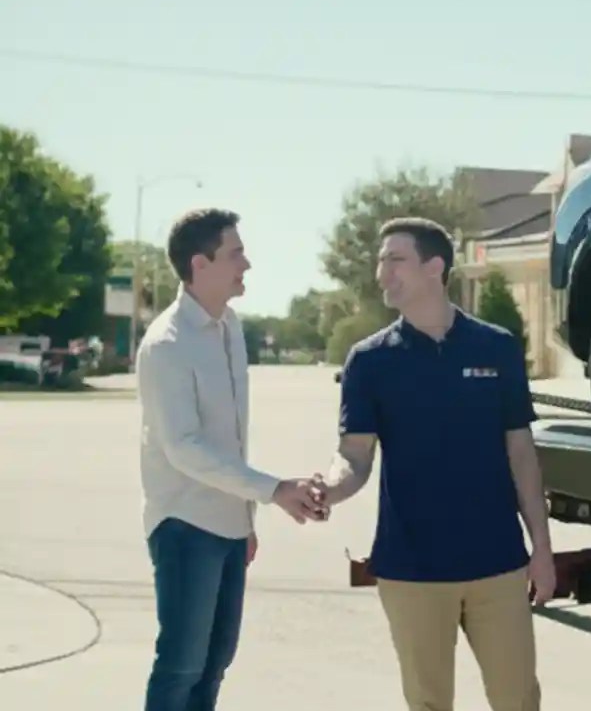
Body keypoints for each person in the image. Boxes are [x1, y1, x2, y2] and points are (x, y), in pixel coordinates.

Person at [317, 216, 556, 711]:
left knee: (519, 700)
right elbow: (355, 455)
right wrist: (328, 488)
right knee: (428, 704)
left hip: (498, 565)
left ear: (434, 267)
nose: (383, 273)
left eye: (395, 260)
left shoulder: (497, 347)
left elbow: (522, 454)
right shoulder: (369, 361)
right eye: (380, 262)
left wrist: (543, 549)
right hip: (412, 571)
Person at [135, 207, 328, 711]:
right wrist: (273, 490)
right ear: (201, 264)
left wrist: (245, 520)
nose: (247, 263)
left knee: (216, 662)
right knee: (181, 665)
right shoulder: (166, 344)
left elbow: (230, 440)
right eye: (236, 252)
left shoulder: (229, 327)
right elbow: (184, 448)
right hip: (184, 526)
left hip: (228, 528)